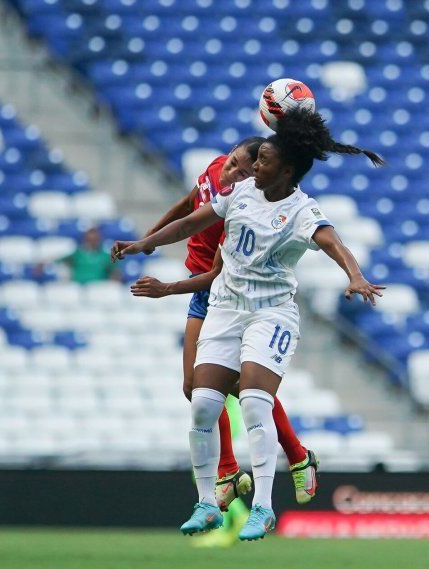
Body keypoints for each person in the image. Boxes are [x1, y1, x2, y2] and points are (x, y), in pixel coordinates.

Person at [112, 108, 385, 541]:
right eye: (251, 160)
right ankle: (207, 503)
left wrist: (355, 276)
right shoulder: (238, 195)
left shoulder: (301, 210)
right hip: (224, 308)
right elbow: (189, 219)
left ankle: (262, 507)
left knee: (255, 403)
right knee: (202, 402)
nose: (252, 166)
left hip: (271, 312)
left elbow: (332, 241)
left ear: (287, 170)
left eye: (262, 161)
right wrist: (145, 243)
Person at [136, 137, 319, 512]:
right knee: (196, 387)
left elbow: (218, 275)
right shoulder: (217, 169)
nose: (230, 172)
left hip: (220, 294)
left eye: (241, 169)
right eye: (232, 162)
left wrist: (167, 288)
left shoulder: (241, 208)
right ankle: (265, 463)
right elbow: (188, 204)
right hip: (202, 293)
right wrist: (149, 239)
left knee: (239, 388)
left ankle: (277, 461)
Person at [38, 227, 120, 284]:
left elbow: (115, 273)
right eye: (89, 240)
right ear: (85, 240)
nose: (92, 242)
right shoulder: (78, 254)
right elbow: (59, 260)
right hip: (78, 287)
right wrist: (43, 264)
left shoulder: (106, 256)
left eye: (94, 240)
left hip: (97, 288)